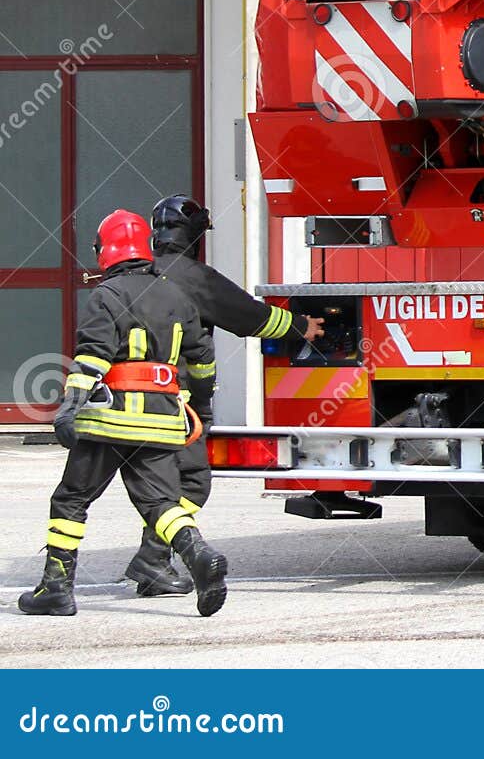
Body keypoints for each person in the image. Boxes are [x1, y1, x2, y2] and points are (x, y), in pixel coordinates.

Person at [19, 210, 229, 617]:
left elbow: (93, 356)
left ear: (105, 250)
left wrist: (69, 407)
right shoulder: (178, 297)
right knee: (161, 503)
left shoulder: (106, 295)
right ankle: (199, 555)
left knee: (71, 499)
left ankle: (56, 588)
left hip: (109, 420)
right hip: (162, 421)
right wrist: (201, 407)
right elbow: (202, 362)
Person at [121, 195, 324, 597]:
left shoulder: (135, 275)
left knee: (97, 490)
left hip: (127, 402)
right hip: (176, 404)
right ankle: (152, 560)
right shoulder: (193, 277)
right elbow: (248, 316)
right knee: (191, 481)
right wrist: (301, 326)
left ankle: (138, 566)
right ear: (196, 234)